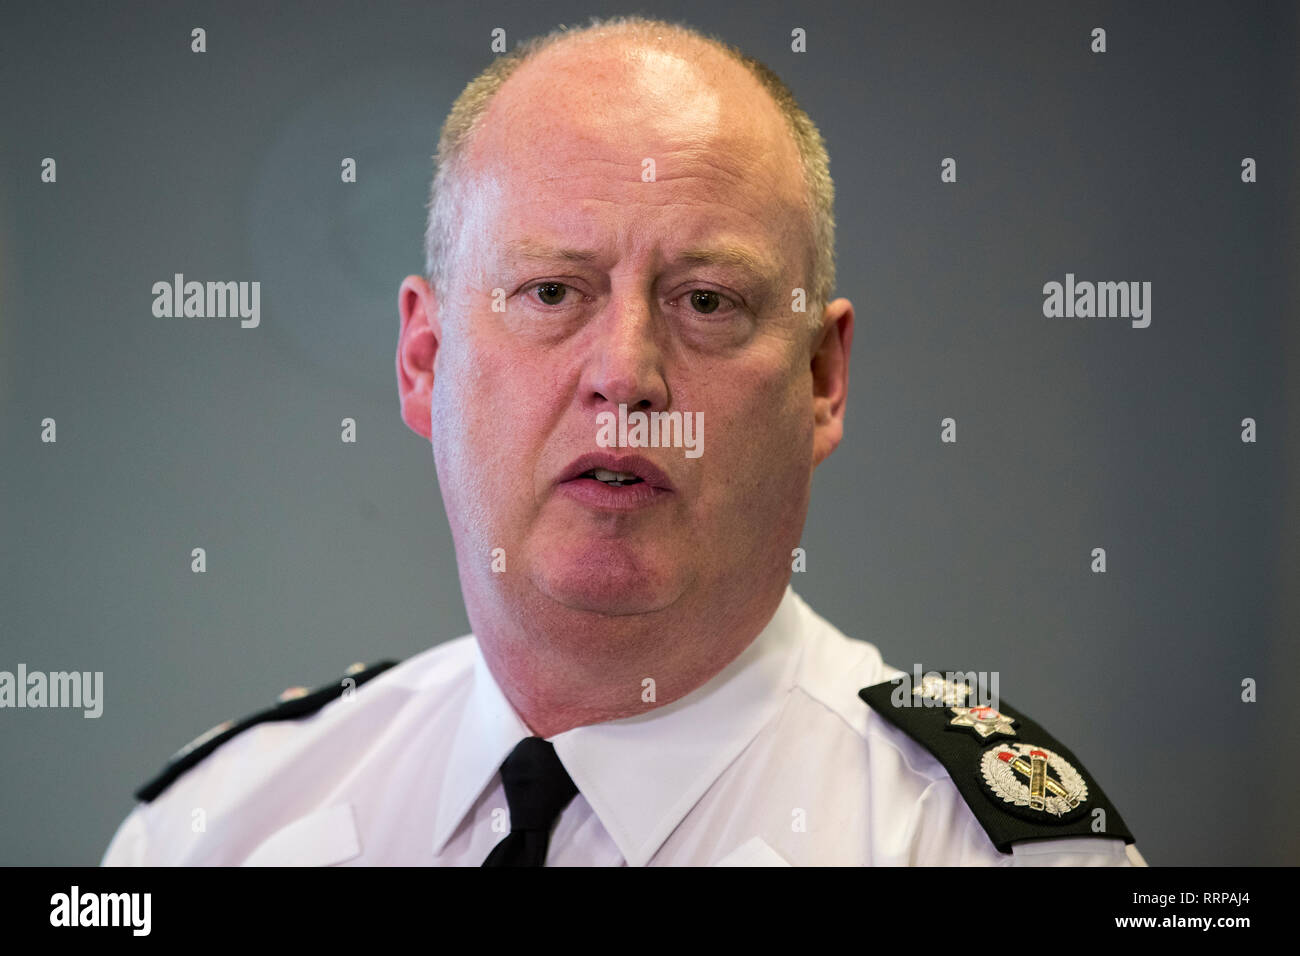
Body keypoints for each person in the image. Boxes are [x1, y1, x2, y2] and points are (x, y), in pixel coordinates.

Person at [102, 15, 1144, 866]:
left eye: (706, 300)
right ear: (423, 357)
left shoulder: (969, 848)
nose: (626, 374)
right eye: (551, 291)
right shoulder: (217, 829)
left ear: (822, 379)